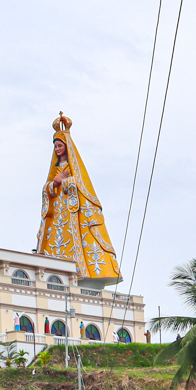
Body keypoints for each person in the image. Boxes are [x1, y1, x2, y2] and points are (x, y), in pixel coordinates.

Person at [35, 113, 120, 281]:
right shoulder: (56, 168)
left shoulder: (75, 167)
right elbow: (47, 188)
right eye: (56, 147)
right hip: (58, 213)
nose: (58, 149)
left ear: (66, 146)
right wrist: (56, 183)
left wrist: (66, 183)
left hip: (72, 212)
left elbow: (82, 185)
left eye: (60, 146)